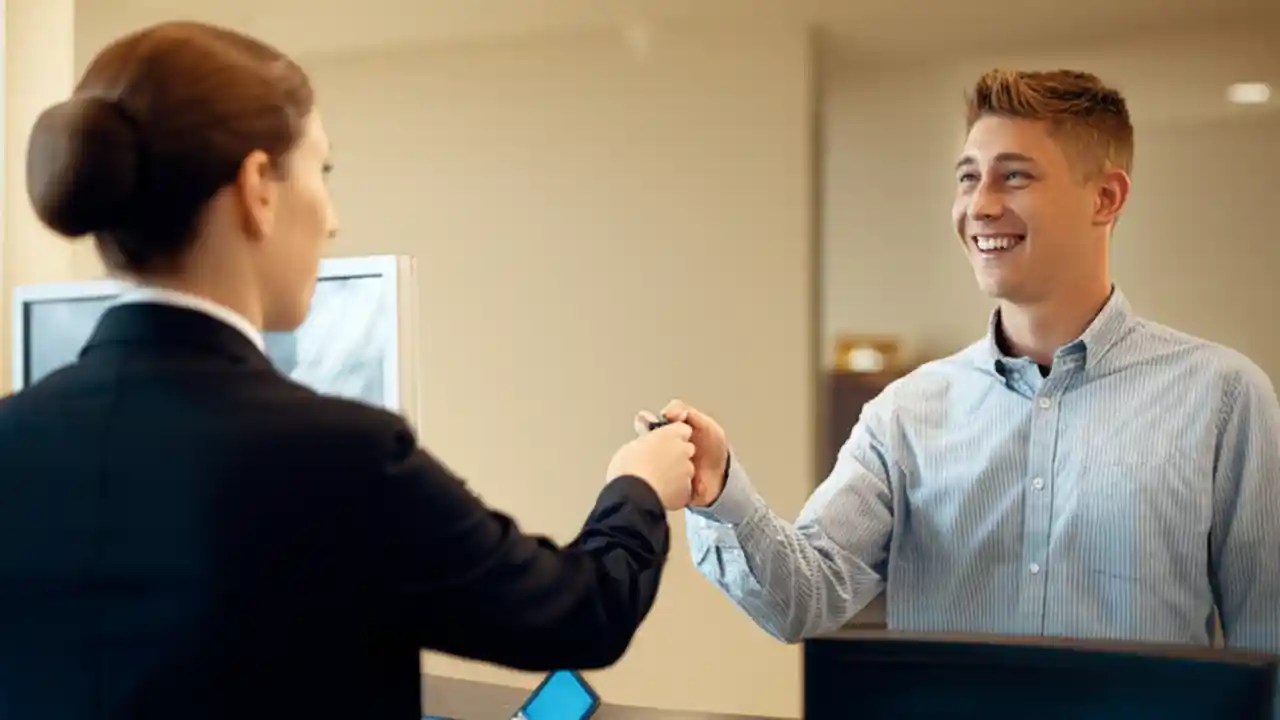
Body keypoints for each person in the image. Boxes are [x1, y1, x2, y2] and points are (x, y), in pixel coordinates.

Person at [0, 21, 696, 720]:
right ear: (257, 189)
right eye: (322, 173)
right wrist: (636, 486)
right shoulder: (341, 455)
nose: (331, 220)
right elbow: (579, 612)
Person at [643, 69, 1280, 653]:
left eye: (1015, 175)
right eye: (969, 176)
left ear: (1106, 198)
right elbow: (802, 600)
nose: (980, 205)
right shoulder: (905, 413)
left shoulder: (1222, 399)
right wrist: (720, 489)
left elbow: (1268, 643)